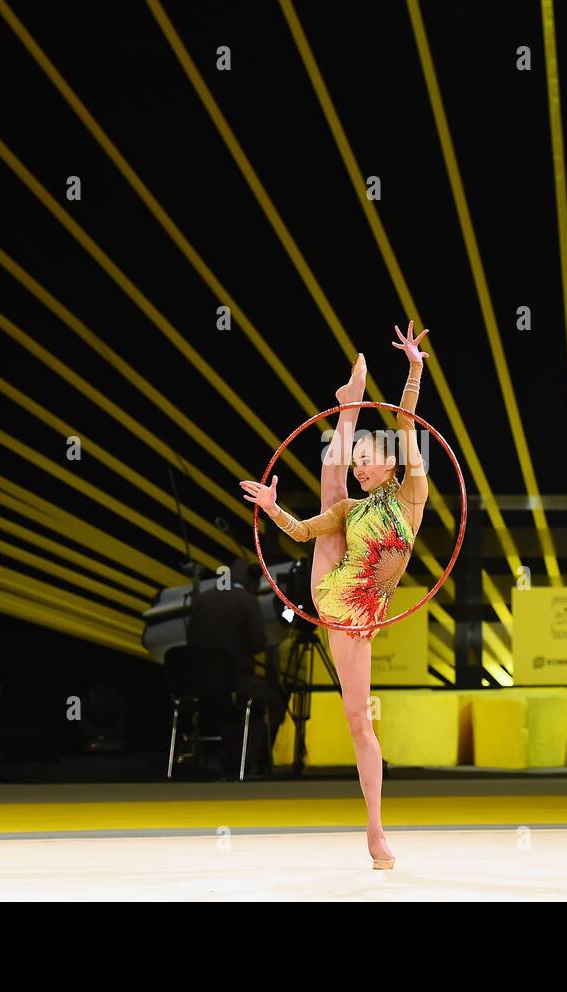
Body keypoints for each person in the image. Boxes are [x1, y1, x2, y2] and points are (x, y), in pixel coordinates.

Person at [239, 321, 430, 869]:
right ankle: (347, 409)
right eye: (357, 455)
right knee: (331, 492)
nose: (360, 462)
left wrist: (413, 371)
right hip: (332, 592)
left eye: (367, 455)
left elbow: (407, 426)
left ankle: (375, 829)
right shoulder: (352, 510)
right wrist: (273, 508)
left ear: (391, 463)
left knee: (357, 722)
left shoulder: (411, 496)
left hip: (360, 618)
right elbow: (302, 531)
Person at [185, 557, 282, 776]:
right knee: (273, 701)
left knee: (228, 709)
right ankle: (255, 762)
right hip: (236, 684)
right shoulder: (247, 601)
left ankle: (226, 759)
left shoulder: (201, 600)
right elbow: (258, 645)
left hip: (200, 686)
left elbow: (191, 642)